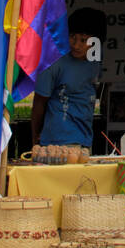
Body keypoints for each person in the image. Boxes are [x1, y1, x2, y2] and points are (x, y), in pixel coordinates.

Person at [31, 8, 106, 149]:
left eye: (83, 40)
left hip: (85, 140)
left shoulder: (96, 58)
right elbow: (39, 103)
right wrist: (36, 138)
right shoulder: (53, 62)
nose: (76, 45)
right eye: (72, 37)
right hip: (56, 143)